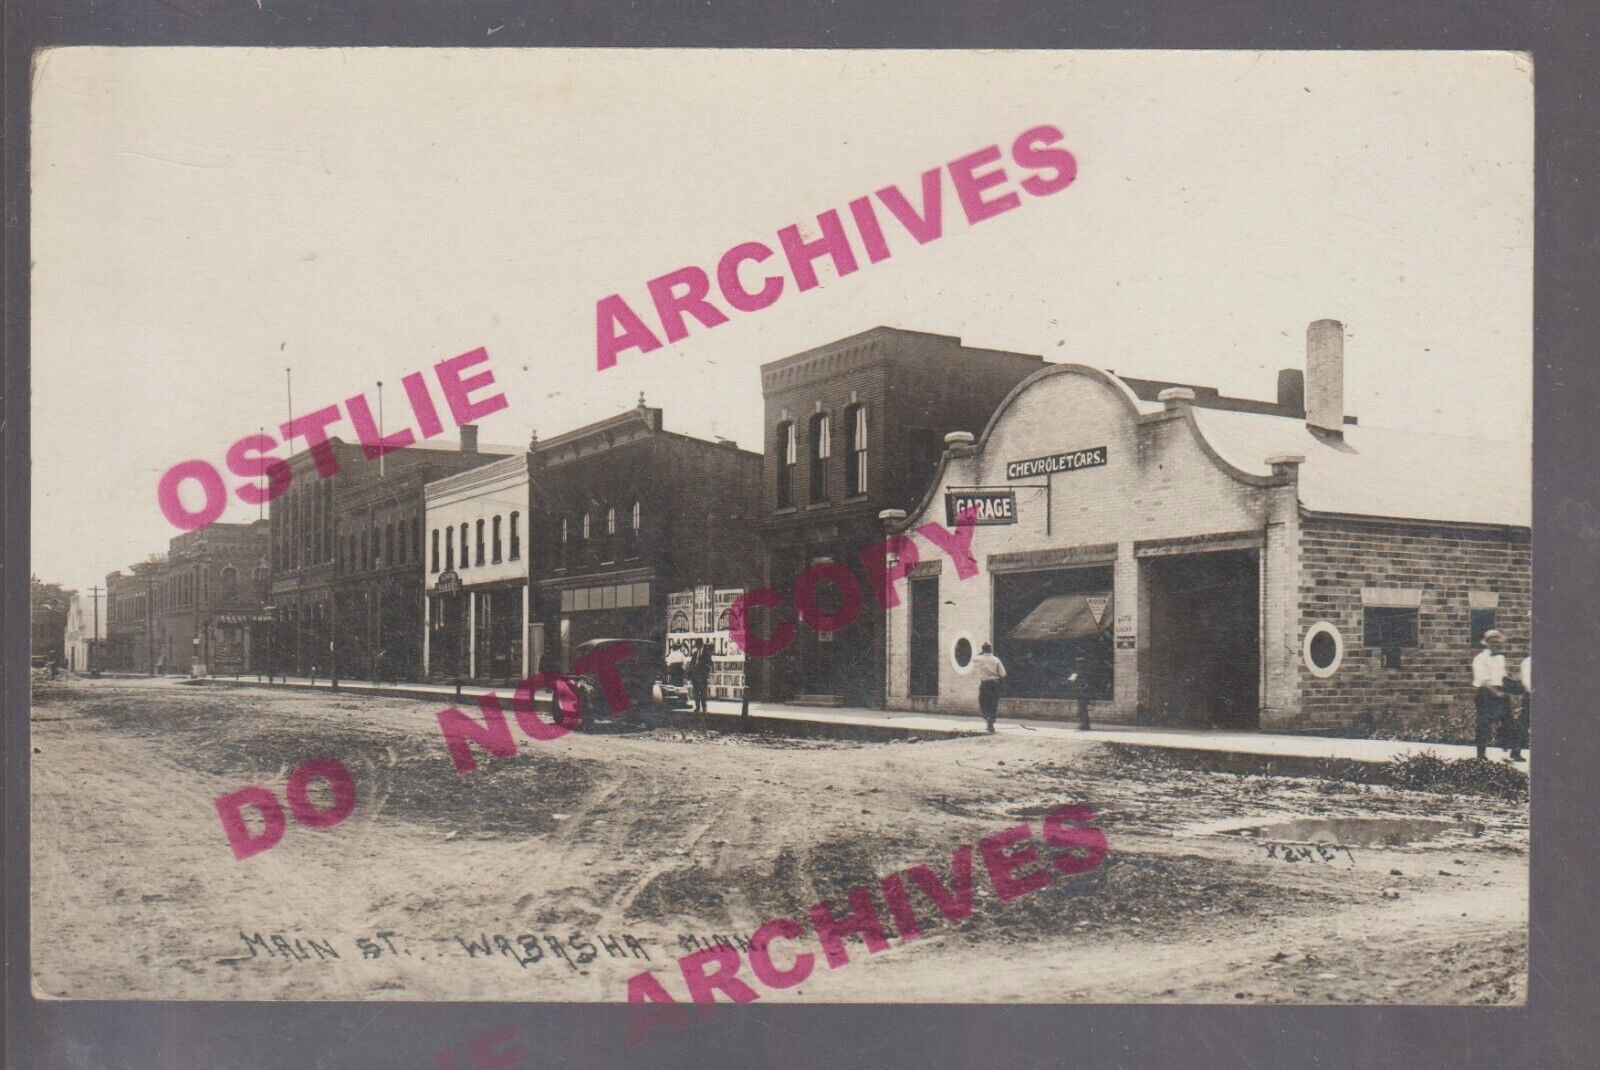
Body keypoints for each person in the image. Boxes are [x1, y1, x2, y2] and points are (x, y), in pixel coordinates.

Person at [1471, 629, 1517, 761]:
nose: (1498, 644)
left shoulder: (1500, 658)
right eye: (1494, 642)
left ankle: (1505, 752)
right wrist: (1496, 693)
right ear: (1487, 643)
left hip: (1501, 692)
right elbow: (1483, 681)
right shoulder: (1480, 659)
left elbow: (1503, 677)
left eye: (1499, 642)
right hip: (1486, 693)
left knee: (1508, 723)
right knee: (1484, 725)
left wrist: (1511, 688)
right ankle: (1481, 756)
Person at [972, 642, 1007, 733]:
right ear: (991, 649)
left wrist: (982, 652)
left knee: (982, 701)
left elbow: (974, 658)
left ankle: (987, 718)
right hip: (995, 683)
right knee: (993, 703)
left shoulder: (978, 659)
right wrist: (1003, 684)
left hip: (984, 684)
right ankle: (990, 721)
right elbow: (1003, 674)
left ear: (983, 650)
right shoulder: (996, 659)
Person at [1067, 655, 1091, 731]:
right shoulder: (1082, 672)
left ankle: (1084, 725)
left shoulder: (1082, 672)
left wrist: (1074, 681)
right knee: (1082, 709)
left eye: (1079, 663)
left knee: (1082, 709)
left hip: (1083, 692)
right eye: (1077, 663)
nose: (1078, 665)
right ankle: (1085, 724)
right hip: (1082, 692)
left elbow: (1084, 682)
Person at [688, 640, 713, 713]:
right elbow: (692, 664)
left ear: (701, 645)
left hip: (703, 675)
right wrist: (689, 675)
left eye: (698, 646)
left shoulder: (706, 652)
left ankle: (704, 708)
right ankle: (697, 707)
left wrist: (702, 663)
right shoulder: (695, 653)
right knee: (696, 692)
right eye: (696, 646)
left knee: (703, 692)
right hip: (695, 675)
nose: (697, 648)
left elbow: (710, 663)